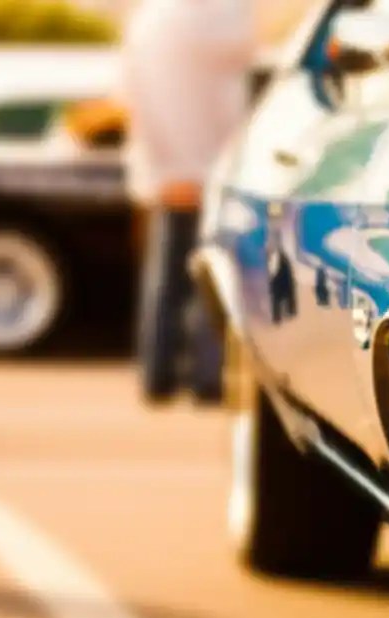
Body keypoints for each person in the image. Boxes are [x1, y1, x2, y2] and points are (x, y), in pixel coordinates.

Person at [122, 0, 255, 403]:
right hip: (212, 170)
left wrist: (158, 172)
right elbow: (249, 48)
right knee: (211, 281)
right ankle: (206, 378)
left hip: (169, 172)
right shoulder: (217, 18)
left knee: (164, 281)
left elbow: (135, 102)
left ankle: (157, 376)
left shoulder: (148, 22)